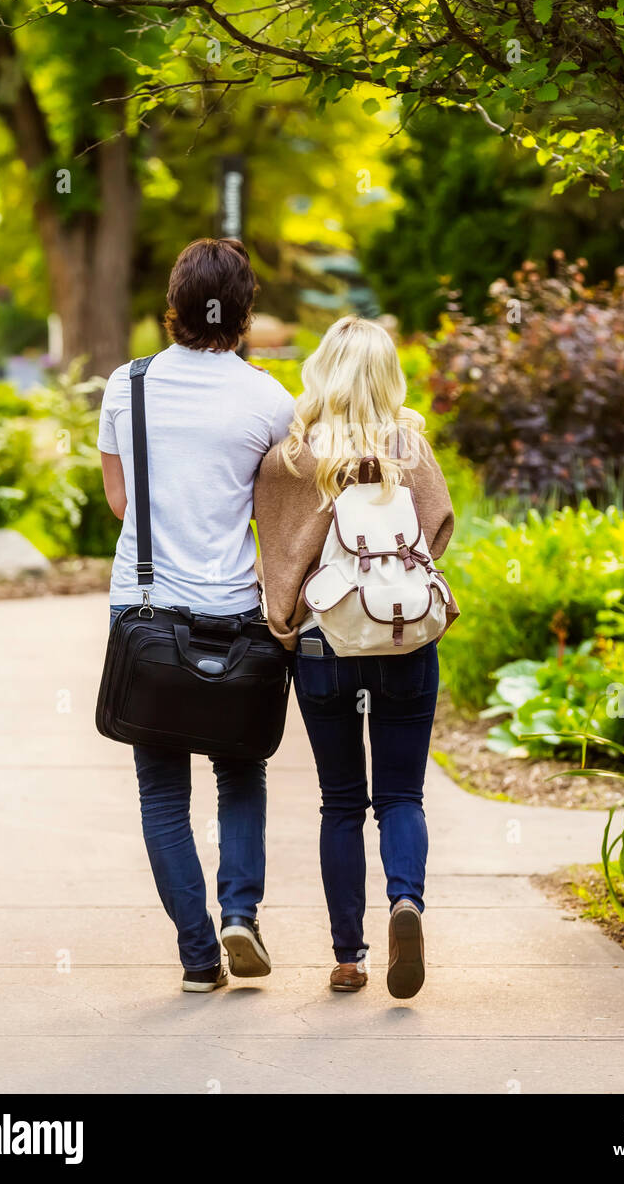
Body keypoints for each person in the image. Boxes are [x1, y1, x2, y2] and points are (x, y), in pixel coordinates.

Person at [98, 237, 294, 993]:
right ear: (243, 314)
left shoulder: (129, 385)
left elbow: (121, 505)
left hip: (145, 613)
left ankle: (196, 959)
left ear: (173, 306)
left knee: (160, 792)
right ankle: (240, 913)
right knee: (240, 773)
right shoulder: (270, 402)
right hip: (236, 616)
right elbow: (279, 515)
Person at [254, 315, 458, 998]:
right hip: (402, 641)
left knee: (340, 802)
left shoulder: (295, 457)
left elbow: (279, 557)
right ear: (388, 377)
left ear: (322, 373)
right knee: (402, 794)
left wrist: (287, 624)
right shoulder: (412, 449)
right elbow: (438, 531)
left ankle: (350, 956)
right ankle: (407, 903)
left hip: (324, 646)